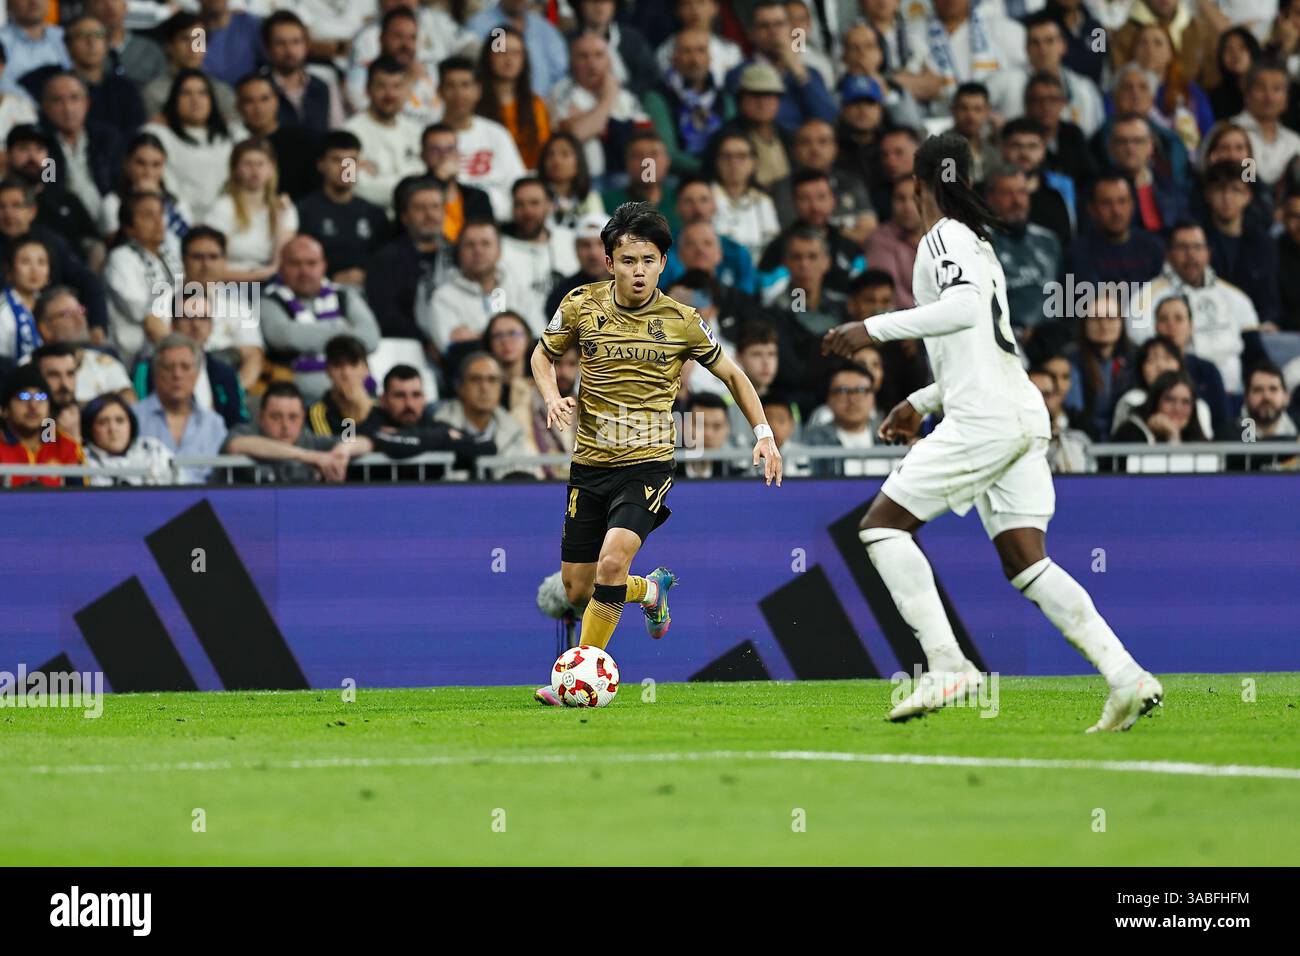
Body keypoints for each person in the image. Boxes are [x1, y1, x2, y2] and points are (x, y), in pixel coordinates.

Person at [821, 132, 1162, 730]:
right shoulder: (977, 242)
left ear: (917, 185)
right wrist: (920, 400)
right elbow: (982, 348)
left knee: (881, 527)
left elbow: (963, 309)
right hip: (1019, 411)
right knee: (1027, 561)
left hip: (986, 418)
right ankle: (1126, 676)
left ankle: (948, 664)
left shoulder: (943, 237)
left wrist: (870, 328)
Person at [529, 201, 781, 705]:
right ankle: (649, 590)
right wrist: (552, 396)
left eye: (648, 260)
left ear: (663, 262)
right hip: (589, 464)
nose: (638, 271)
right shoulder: (580, 304)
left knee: (611, 561)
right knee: (577, 590)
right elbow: (542, 354)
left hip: (647, 463)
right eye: (628, 260)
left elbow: (732, 375)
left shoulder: (683, 321)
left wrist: (764, 433)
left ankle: (579, 678)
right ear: (609, 262)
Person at [259, 234, 381, 403]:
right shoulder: (269, 300)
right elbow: (285, 338)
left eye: (311, 263)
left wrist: (309, 336)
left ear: (323, 266)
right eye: (295, 264)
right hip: (302, 401)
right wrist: (341, 327)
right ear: (281, 268)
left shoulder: (344, 295)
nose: (304, 271)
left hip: (360, 394)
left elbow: (370, 338)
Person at [224, 380, 373, 483]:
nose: (285, 425)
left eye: (293, 417)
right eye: (275, 417)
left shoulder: (309, 440)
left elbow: (365, 442)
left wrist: (344, 450)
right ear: (261, 417)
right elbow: (236, 445)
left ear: (303, 417)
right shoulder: (246, 432)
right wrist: (309, 456)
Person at [295, 131, 389, 287]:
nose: (345, 168)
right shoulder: (302, 211)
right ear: (321, 165)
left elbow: (386, 261)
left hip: (369, 289)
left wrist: (367, 276)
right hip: (318, 289)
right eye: (337, 160)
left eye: (351, 161)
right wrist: (331, 277)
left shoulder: (375, 214)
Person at [439, 55, 527, 221]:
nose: (459, 94)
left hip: (498, 222)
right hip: (448, 223)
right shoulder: (428, 137)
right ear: (440, 91)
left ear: (478, 90)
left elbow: (519, 185)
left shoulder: (497, 134)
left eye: (465, 85)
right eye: (451, 86)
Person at [133, 332, 229, 483]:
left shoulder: (214, 424)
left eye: (185, 367)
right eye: (168, 367)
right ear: (156, 372)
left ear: (197, 374)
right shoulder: (133, 418)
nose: (177, 374)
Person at [141, 68, 234, 221]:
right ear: (174, 99)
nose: (195, 100)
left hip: (225, 219)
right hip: (174, 219)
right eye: (186, 93)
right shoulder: (156, 135)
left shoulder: (233, 136)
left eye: (202, 93)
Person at [201, 138, 298, 283]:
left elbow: (281, 264)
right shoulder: (223, 207)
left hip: (270, 284)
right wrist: (260, 275)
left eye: (260, 164)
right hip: (229, 285)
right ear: (235, 169)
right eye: (247, 164)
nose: (254, 170)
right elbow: (210, 269)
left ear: (271, 168)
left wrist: (279, 221)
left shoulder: (284, 208)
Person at [433, 350, 539, 478]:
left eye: (492, 380)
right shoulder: (439, 428)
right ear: (460, 387)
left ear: (500, 388)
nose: (484, 387)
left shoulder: (515, 431)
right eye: (476, 379)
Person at [103, 190, 181, 361]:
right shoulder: (121, 258)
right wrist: (177, 349)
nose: (158, 221)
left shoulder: (170, 255)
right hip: (137, 356)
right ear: (128, 227)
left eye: (161, 214)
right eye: (148, 216)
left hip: (173, 342)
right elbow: (143, 314)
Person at [342, 56, 424, 218]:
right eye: (381, 86)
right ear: (367, 89)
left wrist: (375, 181)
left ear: (406, 91)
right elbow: (347, 182)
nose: (390, 94)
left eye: (396, 86)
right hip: (367, 219)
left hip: (413, 221)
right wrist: (409, 188)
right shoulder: (347, 134)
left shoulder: (417, 132)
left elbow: (426, 181)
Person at [99, 132, 191, 259]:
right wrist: (144, 198)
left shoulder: (178, 204)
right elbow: (119, 247)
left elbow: (190, 246)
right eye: (141, 163)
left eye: (156, 164)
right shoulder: (112, 203)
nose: (148, 172)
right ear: (126, 163)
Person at [1109, 370, 1218, 473]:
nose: (1178, 409)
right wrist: (1172, 436)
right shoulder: (1131, 432)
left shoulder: (1197, 437)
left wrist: (1174, 436)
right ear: (1155, 401)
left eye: (1185, 402)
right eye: (1170, 400)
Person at [475, 24, 550, 171]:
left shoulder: (536, 104)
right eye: (501, 52)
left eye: (516, 53)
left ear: (524, 59)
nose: (508, 59)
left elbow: (543, 150)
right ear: (488, 57)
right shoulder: (473, 102)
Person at [0, 363, 84, 487]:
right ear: (5, 409)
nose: (33, 405)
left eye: (41, 396)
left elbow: (81, 495)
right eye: (23, 397)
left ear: (49, 408)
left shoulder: (65, 446)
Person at [802, 362, 892, 477]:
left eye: (861, 390)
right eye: (843, 391)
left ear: (873, 397)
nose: (852, 399)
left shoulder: (889, 436)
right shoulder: (812, 441)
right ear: (828, 398)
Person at [81, 392, 175, 485]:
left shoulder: (153, 450)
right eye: (103, 422)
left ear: (131, 424)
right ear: (89, 428)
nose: (113, 429)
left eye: (120, 420)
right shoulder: (81, 459)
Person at [864, 176, 923, 309]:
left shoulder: (941, 236)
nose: (907, 206)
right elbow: (892, 295)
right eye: (900, 199)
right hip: (901, 317)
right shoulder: (879, 240)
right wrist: (929, 312)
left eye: (914, 198)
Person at [1226, 363, 1299, 470]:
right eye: (1258, 390)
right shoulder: (1229, 433)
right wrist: (1295, 442)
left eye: (1273, 389)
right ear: (1246, 398)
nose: (1266, 396)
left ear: (1286, 396)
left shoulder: (1298, 426)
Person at [1028, 364, 1092, 473]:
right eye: (1033, 395)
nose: (1039, 400)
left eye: (1046, 394)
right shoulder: (1011, 433)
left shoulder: (1076, 433)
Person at [537, 129, 604, 230]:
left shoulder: (591, 198)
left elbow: (596, 233)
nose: (556, 161)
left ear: (579, 161)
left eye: (565, 154)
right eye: (550, 154)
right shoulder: (536, 197)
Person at [0, 233, 48, 362]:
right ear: (9, 269)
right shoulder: (2, 311)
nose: (35, 270)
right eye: (25, 262)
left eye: (41, 262)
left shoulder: (52, 305)